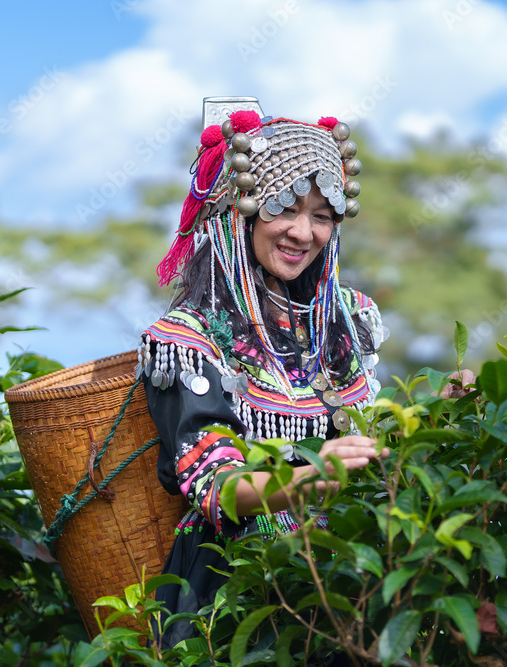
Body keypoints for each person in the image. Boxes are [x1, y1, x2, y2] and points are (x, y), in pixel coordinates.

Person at [138, 108, 390, 650]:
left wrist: (439, 410)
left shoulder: (345, 323)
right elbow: (215, 488)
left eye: (323, 215)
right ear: (241, 212)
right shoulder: (188, 338)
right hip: (232, 593)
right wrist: (308, 480)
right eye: (284, 207)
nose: (304, 232)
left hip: (345, 583)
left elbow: (369, 441)